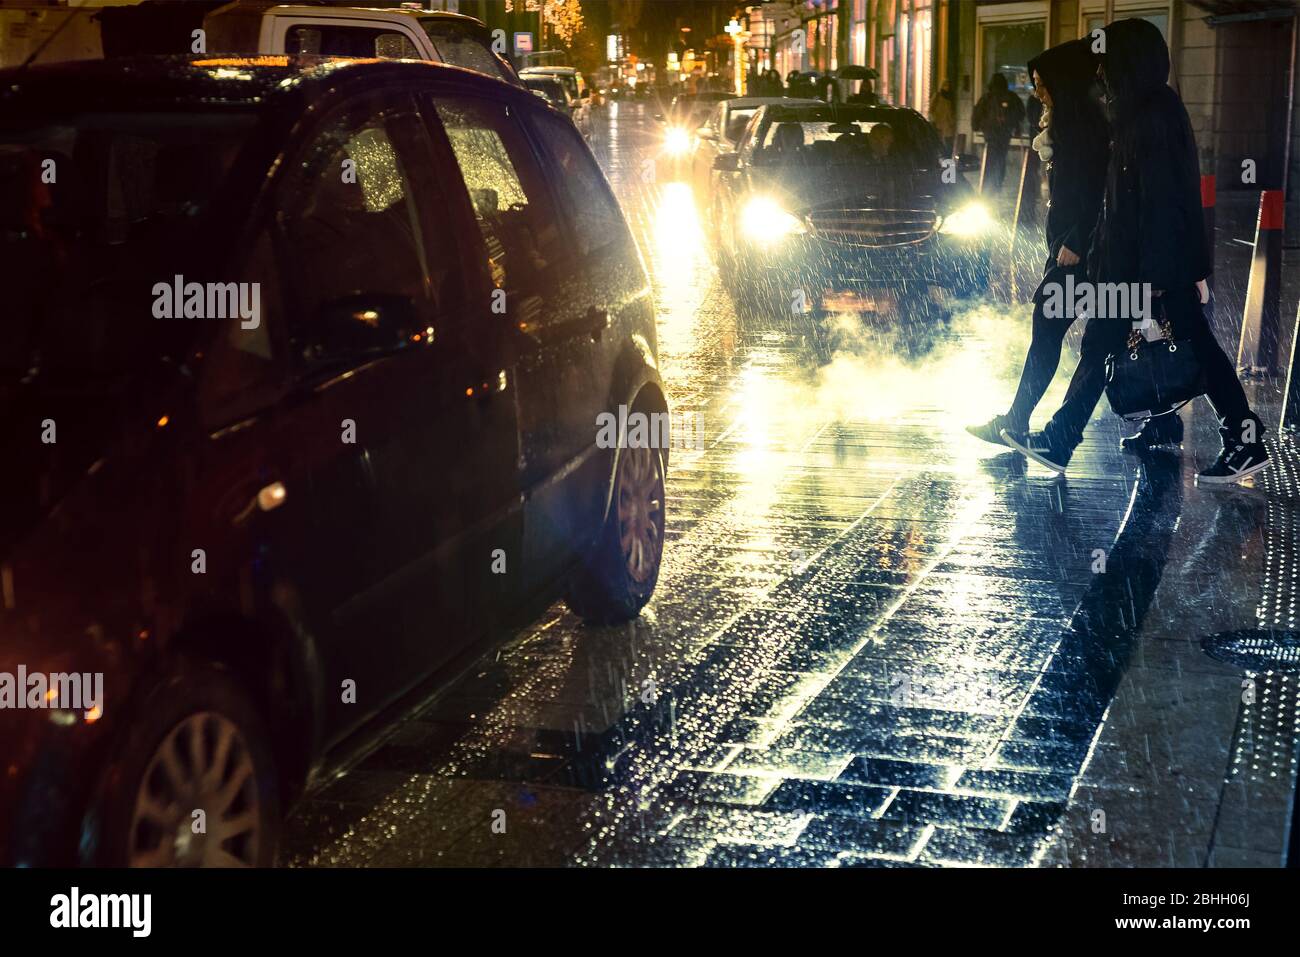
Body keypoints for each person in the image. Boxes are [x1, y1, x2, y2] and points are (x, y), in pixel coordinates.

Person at [1001, 18, 1268, 485]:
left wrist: (1155, 275)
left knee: (1191, 348)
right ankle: (1061, 438)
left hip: (1148, 268)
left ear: (1128, 63)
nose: (1099, 74)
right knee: (1111, 344)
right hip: (1135, 264)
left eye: (1106, 64)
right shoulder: (1140, 111)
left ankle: (1244, 441)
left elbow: (1162, 201)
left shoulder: (1151, 115)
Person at [966, 39, 1108, 447]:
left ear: (1063, 83)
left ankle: (1020, 422)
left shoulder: (1083, 127)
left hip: (1078, 252)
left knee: (1068, 334)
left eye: (1042, 83)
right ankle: (1017, 420)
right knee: (1070, 334)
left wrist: (1077, 239)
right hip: (1069, 247)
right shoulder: (1069, 122)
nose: (1036, 91)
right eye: (1034, 83)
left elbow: (1096, 189)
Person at [972, 73, 1024, 190]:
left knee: (991, 157)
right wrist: (1014, 125)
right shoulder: (1011, 96)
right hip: (1005, 133)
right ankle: (998, 182)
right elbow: (1020, 112)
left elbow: (978, 112)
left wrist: (976, 126)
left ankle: (989, 182)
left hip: (990, 133)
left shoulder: (987, 97)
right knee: (1001, 157)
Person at [928, 78, 956, 153]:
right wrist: (935, 118)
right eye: (945, 85)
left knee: (949, 146)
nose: (947, 87)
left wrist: (952, 123)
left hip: (948, 126)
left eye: (948, 86)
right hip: (939, 125)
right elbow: (931, 109)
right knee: (940, 145)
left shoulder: (950, 98)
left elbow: (950, 113)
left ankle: (947, 161)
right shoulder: (937, 96)